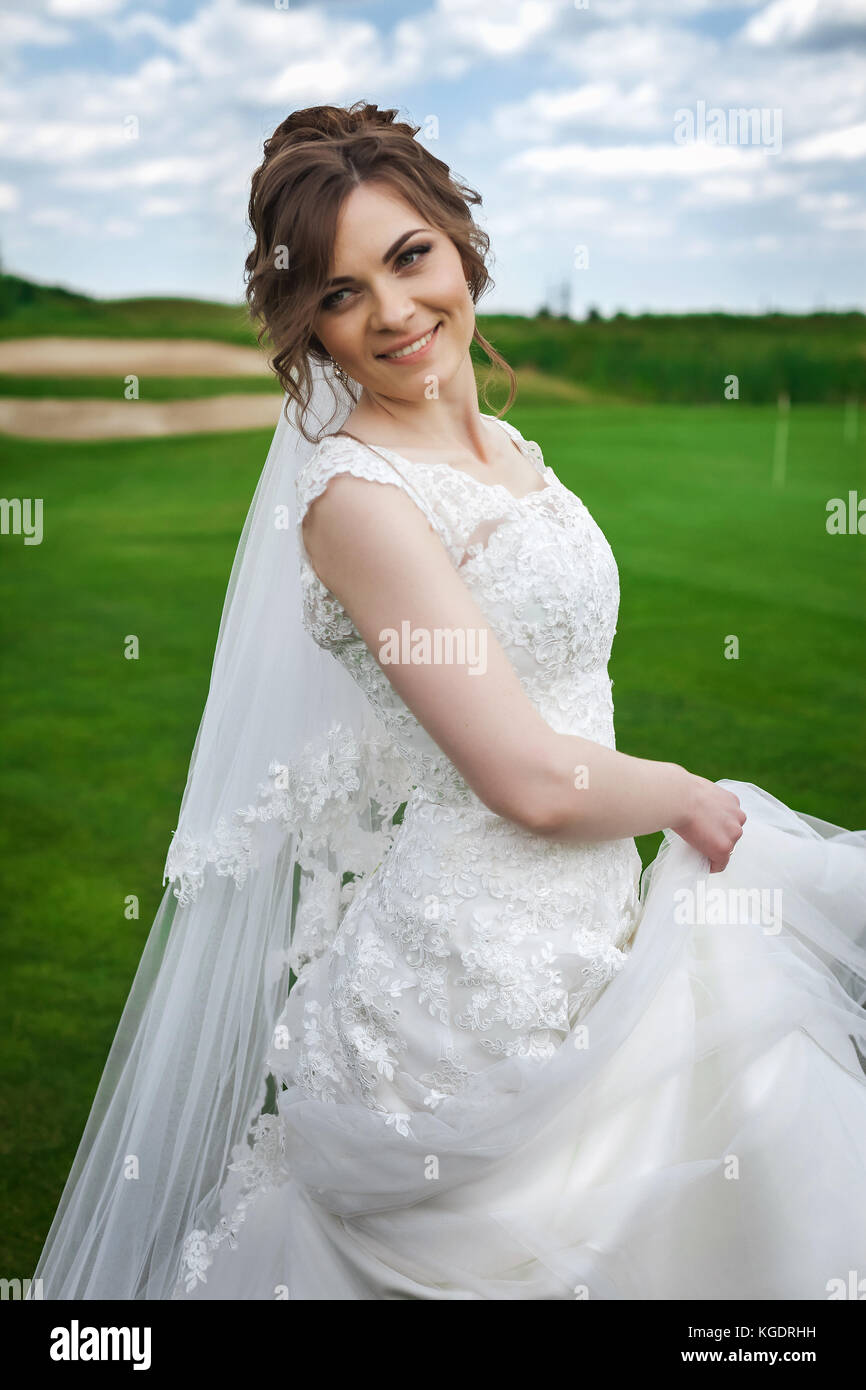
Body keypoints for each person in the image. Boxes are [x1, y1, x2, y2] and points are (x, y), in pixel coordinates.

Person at [32, 102, 866, 1302]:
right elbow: (523, 776)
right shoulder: (355, 502)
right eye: (336, 292)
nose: (389, 312)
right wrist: (685, 796)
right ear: (305, 325)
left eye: (407, 257)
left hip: (591, 920)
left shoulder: (514, 453)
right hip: (472, 991)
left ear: (458, 242)